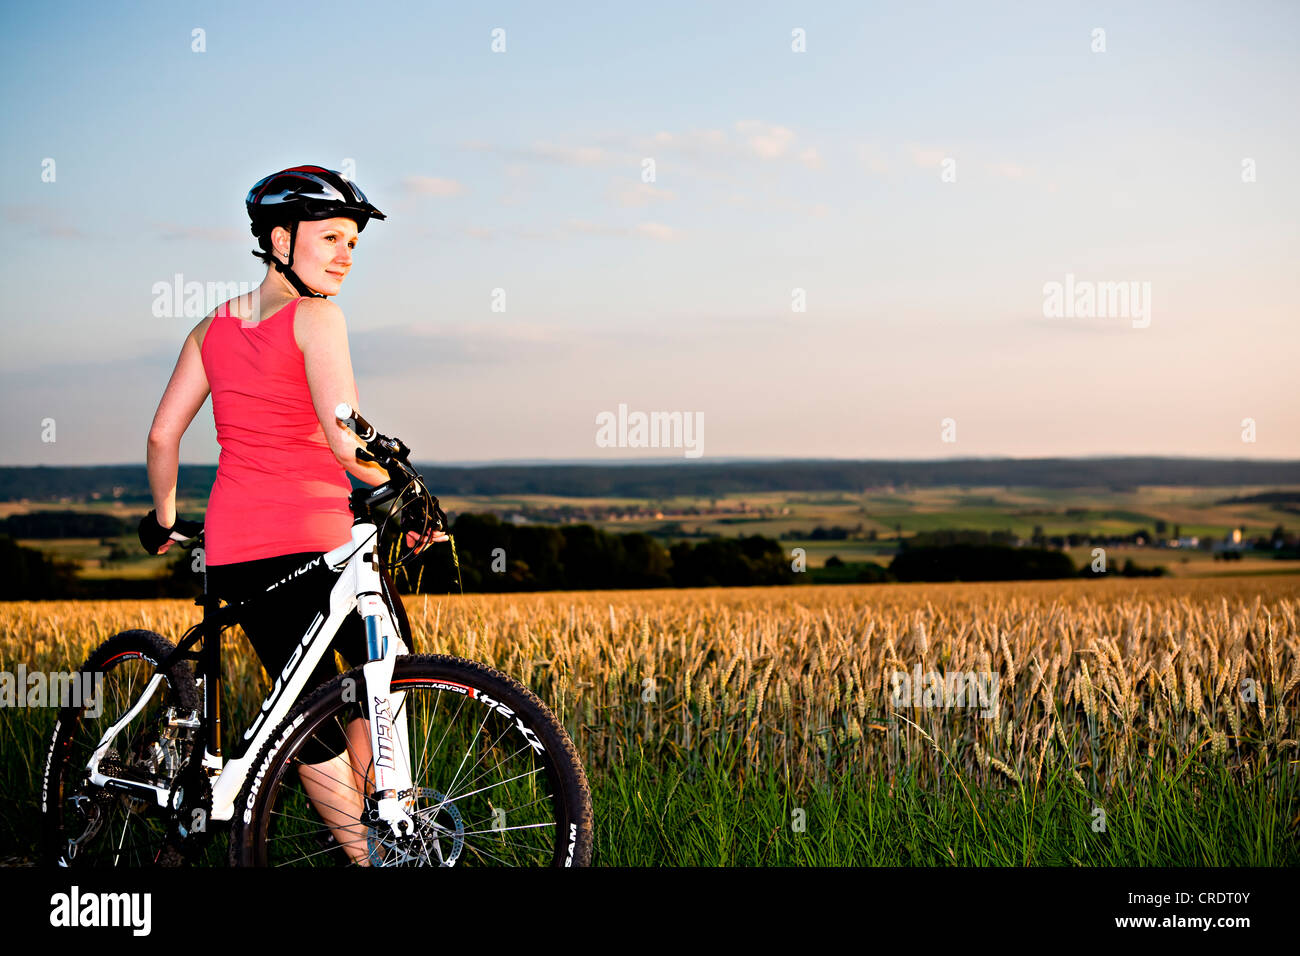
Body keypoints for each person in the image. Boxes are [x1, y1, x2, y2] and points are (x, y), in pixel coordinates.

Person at [141, 164, 445, 865]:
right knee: (379, 685)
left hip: (238, 550)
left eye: (353, 243)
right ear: (280, 239)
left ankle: (366, 851)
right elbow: (347, 439)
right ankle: (385, 846)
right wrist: (407, 495)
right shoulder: (316, 317)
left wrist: (163, 517)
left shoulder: (210, 327)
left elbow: (163, 436)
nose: (345, 254)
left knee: (305, 710)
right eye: (331, 236)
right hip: (320, 542)